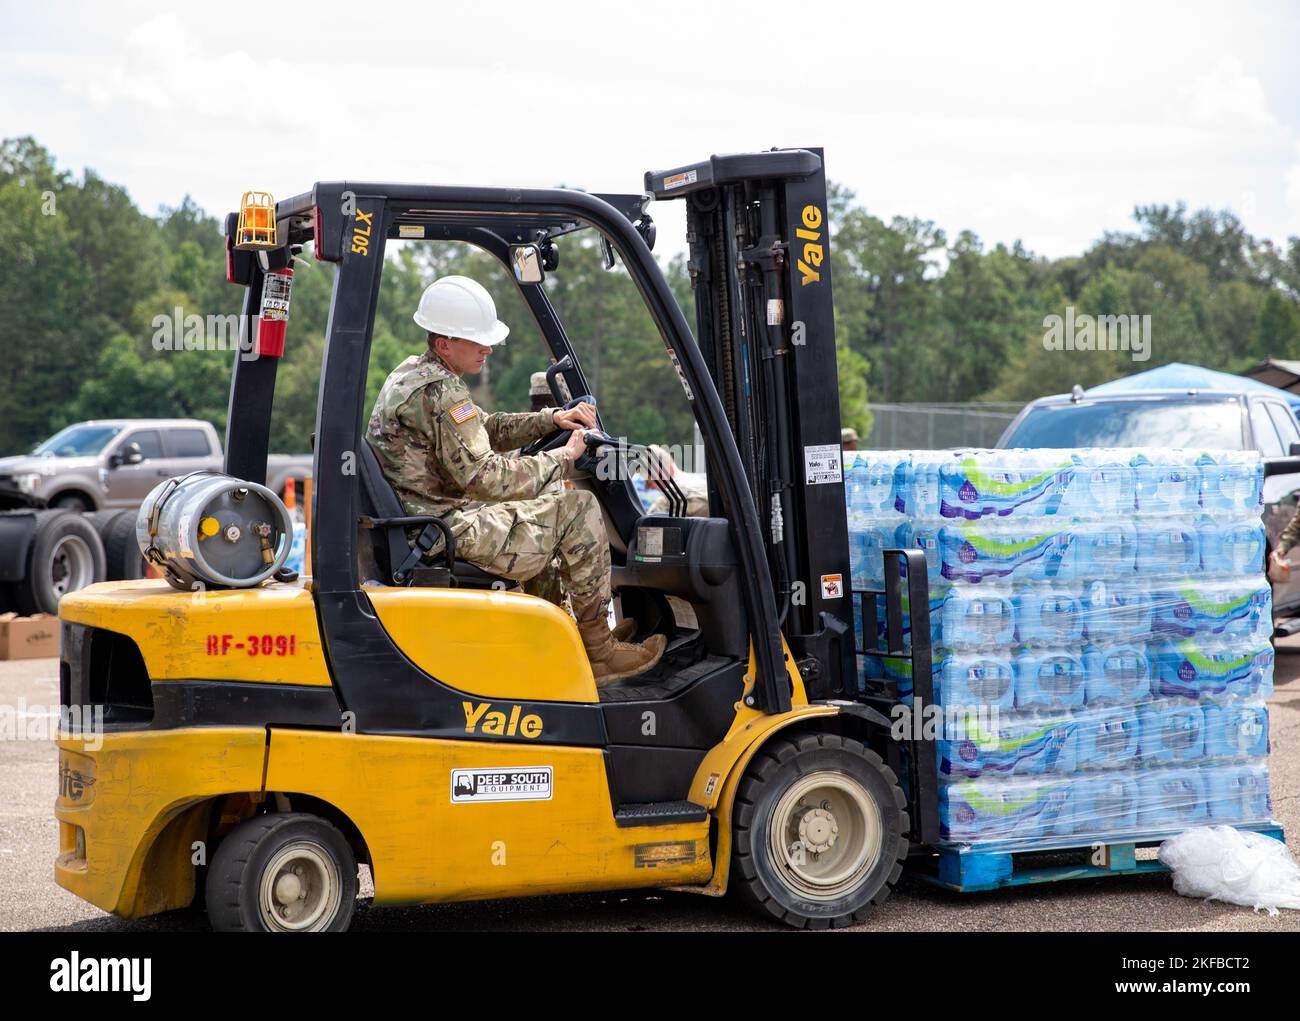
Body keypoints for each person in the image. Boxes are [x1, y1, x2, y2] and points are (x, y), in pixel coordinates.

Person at [366, 275, 665, 686]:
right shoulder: (441, 391)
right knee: (577, 509)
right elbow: (485, 477)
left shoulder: (415, 373)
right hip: (441, 529)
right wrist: (564, 456)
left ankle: (558, 638)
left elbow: (483, 428)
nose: (487, 348)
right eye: (477, 340)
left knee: (546, 499)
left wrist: (551, 419)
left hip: (423, 520)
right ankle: (599, 652)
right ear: (444, 344)